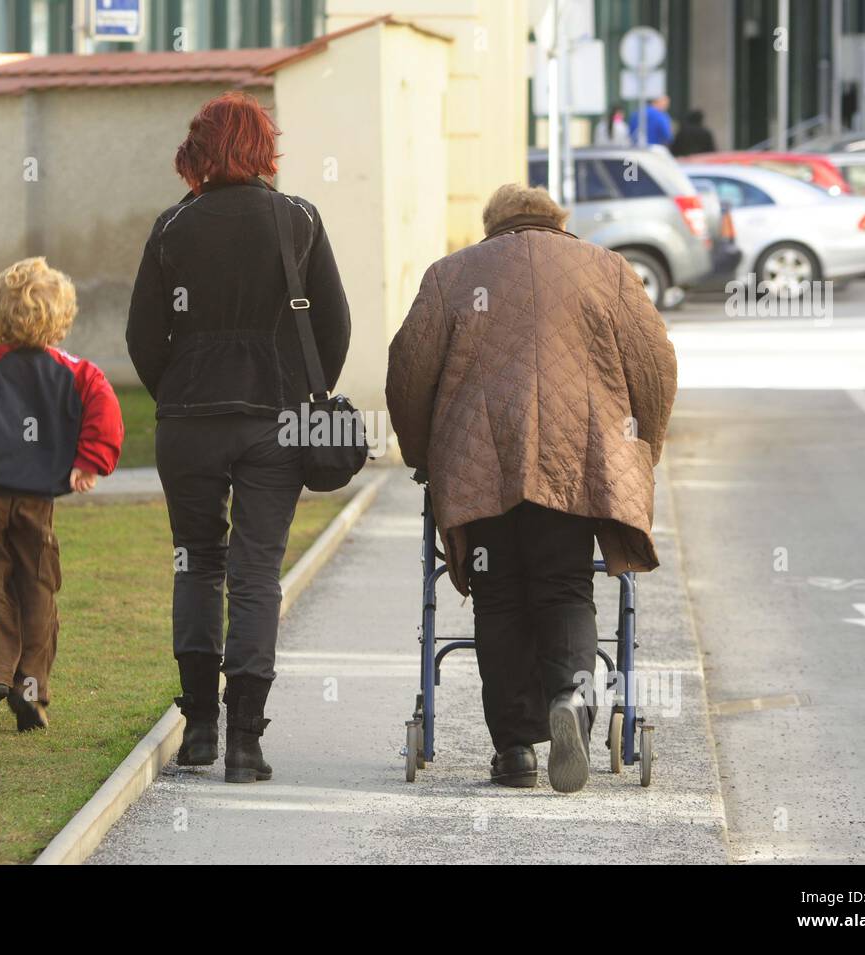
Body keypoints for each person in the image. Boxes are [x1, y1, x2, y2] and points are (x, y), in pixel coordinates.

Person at [385, 185, 676, 794]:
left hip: (480, 462)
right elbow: (654, 364)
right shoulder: (607, 269)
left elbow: (408, 371)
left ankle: (515, 750)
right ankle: (572, 698)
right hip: (578, 460)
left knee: (498, 598)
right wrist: (644, 441)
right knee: (564, 587)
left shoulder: (453, 274)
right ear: (558, 222)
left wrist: (422, 454)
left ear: (492, 225)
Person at [126, 92, 351, 784]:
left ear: (198, 150)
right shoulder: (299, 220)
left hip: (189, 422)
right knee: (256, 572)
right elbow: (333, 326)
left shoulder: (173, 227)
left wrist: (183, 391)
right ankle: (246, 743)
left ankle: (198, 727)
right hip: (276, 421)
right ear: (264, 148)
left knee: (195, 561)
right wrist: (293, 388)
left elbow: (142, 337)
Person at [0, 257, 124, 731]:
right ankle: (30, 689)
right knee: (38, 585)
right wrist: (89, 460)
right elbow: (105, 410)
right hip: (38, 497)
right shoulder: (77, 370)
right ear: (63, 319)